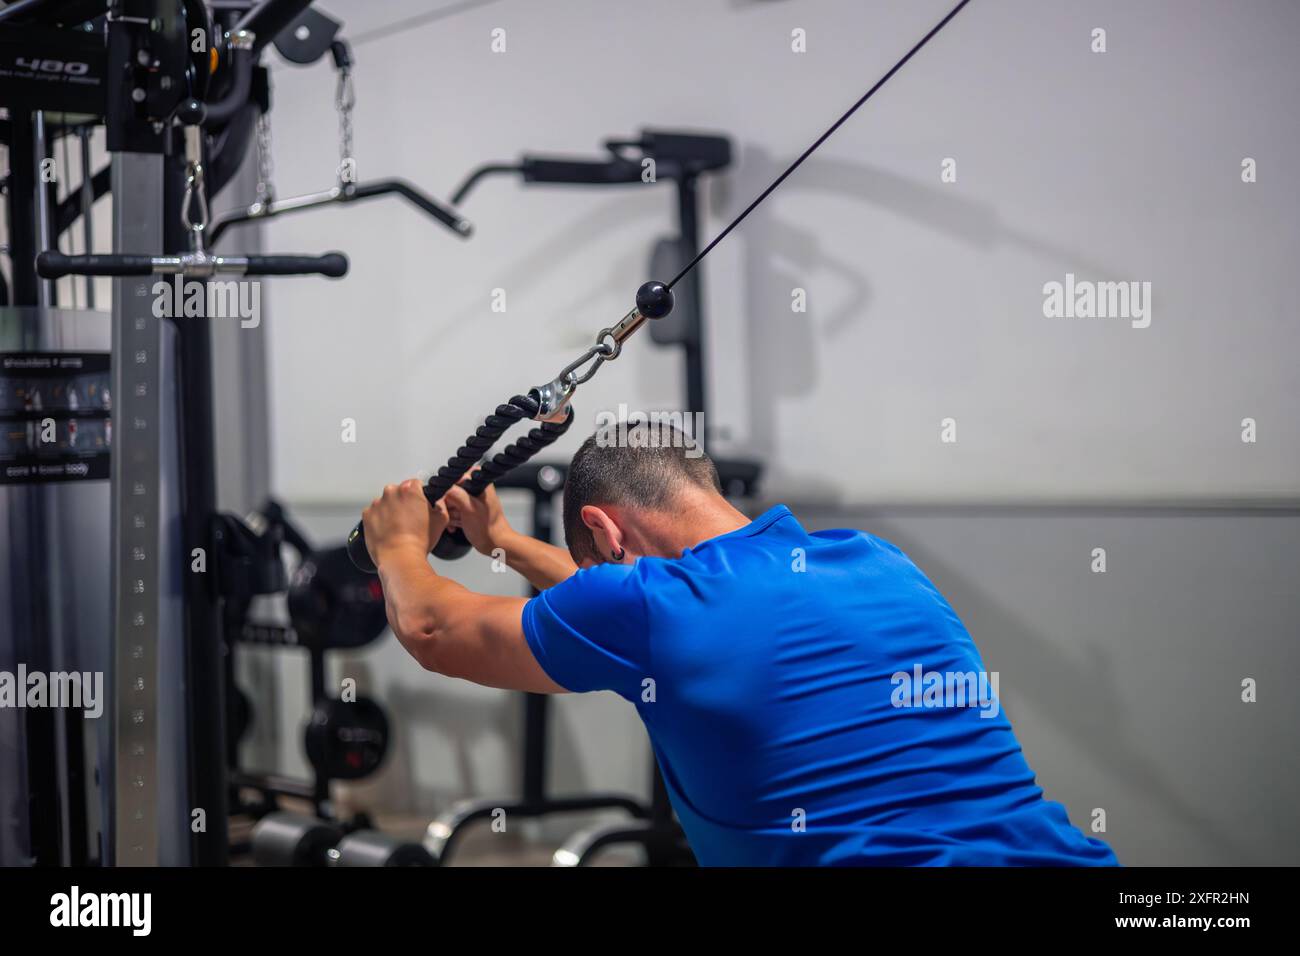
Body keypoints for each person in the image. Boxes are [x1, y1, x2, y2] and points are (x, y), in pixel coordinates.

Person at [361, 424, 1117, 866]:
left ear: (605, 530)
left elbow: (431, 628)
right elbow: (647, 611)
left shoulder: (648, 608)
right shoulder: (874, 560)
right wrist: (507, 546)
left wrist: (398, 546)